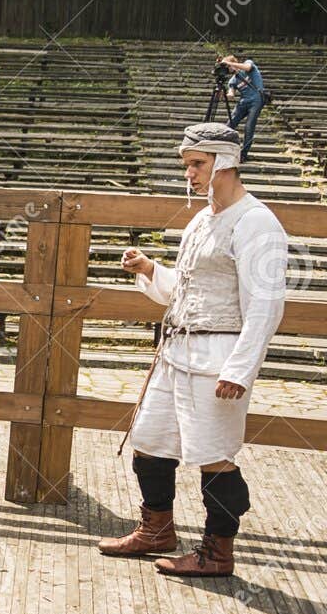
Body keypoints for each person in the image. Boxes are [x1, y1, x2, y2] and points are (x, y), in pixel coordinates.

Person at [99, 123, 287, 577]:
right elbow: (185, 293)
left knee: (213, 454)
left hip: (218, 360)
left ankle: (218, 552)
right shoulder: (203, 218)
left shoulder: (256, 222)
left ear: (225, 162)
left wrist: (240, 370)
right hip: (177, 352)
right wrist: (149, 269)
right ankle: (156, 529)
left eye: (198, 164)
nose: (190, 173)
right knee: (149, 440)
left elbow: (265, 306)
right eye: (187, 165)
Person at [221, 53, 265, 161]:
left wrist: (229, 63)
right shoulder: (233, 80)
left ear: (234, 63)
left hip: (256, 98)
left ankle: (244, 154)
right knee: (229, 124)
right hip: (244, 101)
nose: (229, 69)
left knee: (249, 126)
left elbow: (248, 67)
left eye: (229, 66)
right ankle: (222, 148)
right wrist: (225, 95)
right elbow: (231, 93)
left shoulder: (248, 64)